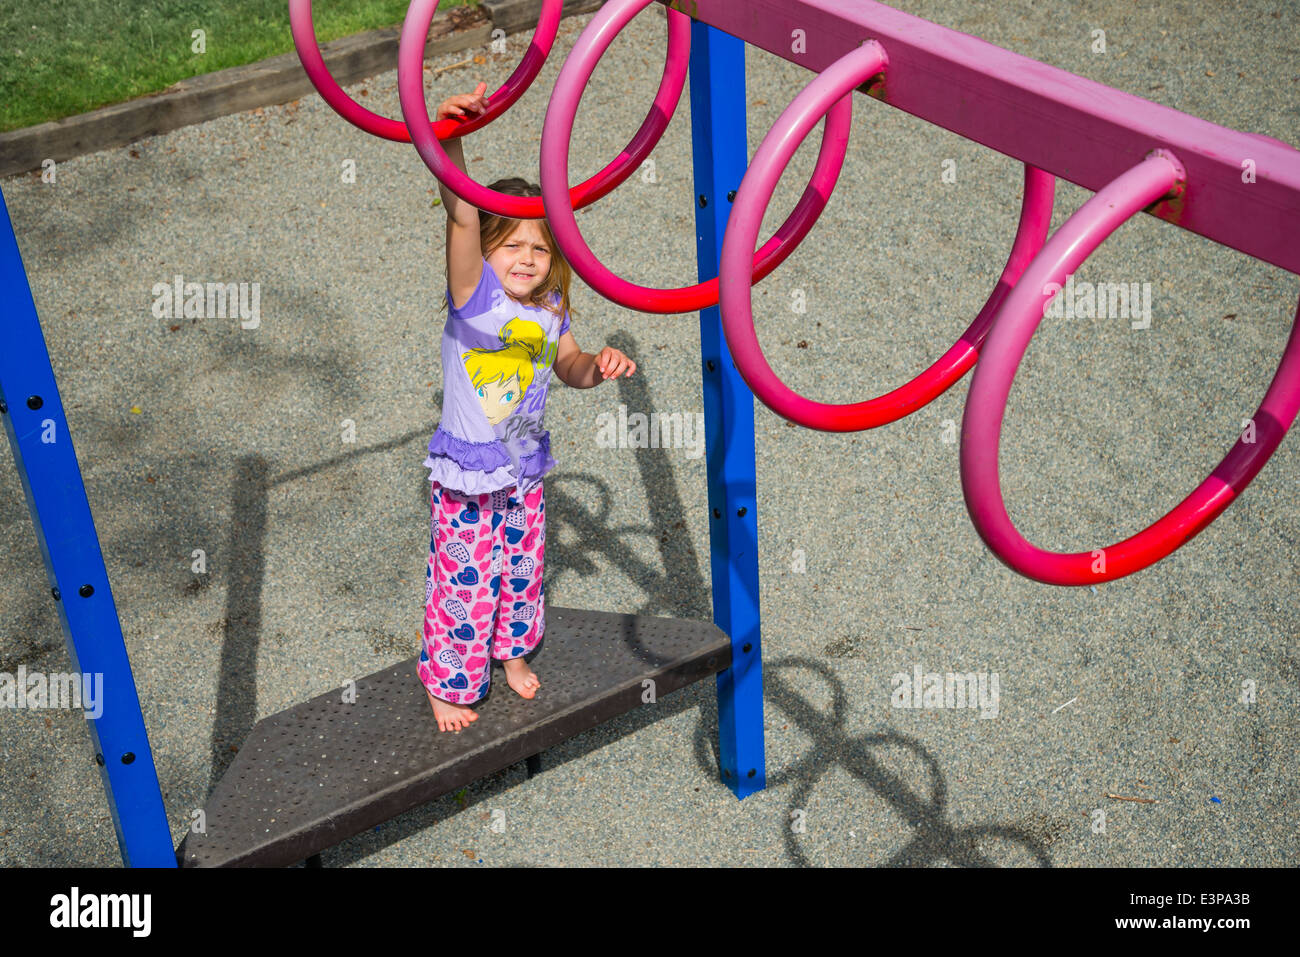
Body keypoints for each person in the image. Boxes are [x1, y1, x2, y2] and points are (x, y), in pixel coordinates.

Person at [420, 82, 637, 733]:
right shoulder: (474, 298)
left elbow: (567, 367)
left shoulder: (550, 308)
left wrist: (595, 368)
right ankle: (448, 679)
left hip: (522, 465)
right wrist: (453, 138)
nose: (526, 258)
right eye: (511, 244)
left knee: (521, 566)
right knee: (466, 578)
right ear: (486, 252)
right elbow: (460, 214)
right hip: (468, 473)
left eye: (539, 248)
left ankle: (510, 653)